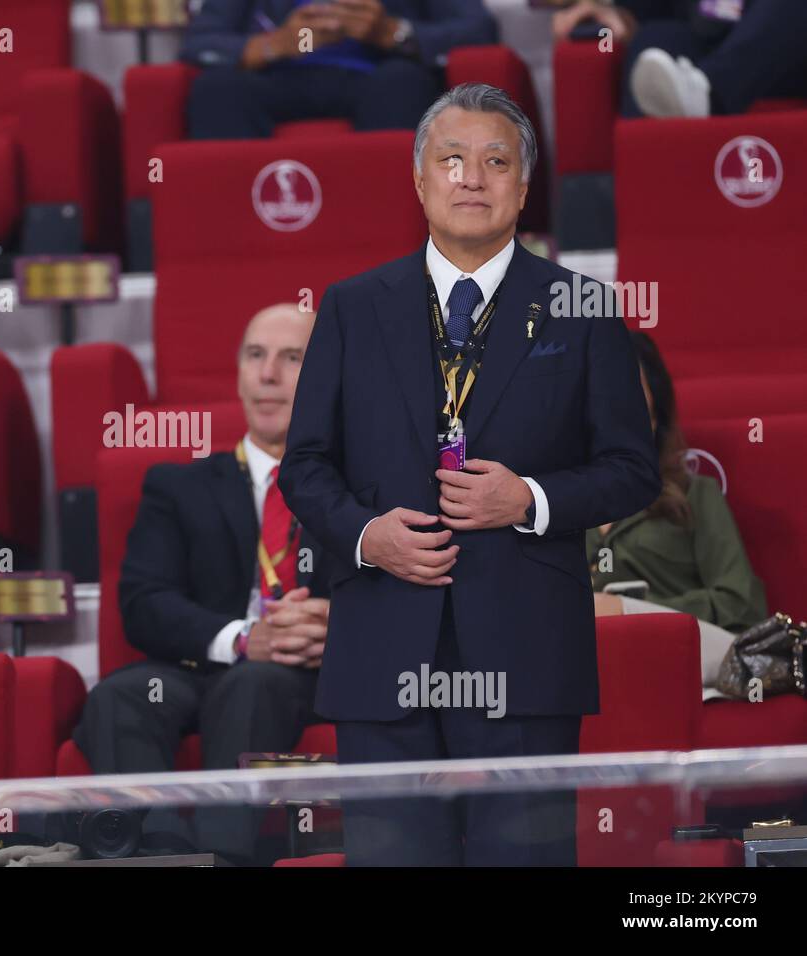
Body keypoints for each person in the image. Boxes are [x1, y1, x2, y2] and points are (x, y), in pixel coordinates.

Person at [278, 83, 660, 865]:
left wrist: (530, 499)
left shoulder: (583, 307)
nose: (472, 179)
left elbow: (631, 471)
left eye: (495, 162)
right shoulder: (353, 307)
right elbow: (306, 467)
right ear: (420, 181)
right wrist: (364, 537)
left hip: (527, 654)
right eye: (451, 160)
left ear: (524, 187)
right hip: (382, 649)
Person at [72, 303, 337, 865]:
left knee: (255, 684)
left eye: (292, 358)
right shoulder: (180, 484)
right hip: (200, 669)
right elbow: (144, 603)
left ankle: (222, 856)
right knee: (120, 696)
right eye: (255, 356)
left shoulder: (358, 488)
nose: (268, 375)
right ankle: (161, 853)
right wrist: (243, 638)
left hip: (312, 678)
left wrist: (337, 624)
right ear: (239, 373)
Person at [589, 332, 767, 699]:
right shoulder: (550, 507)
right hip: (587, 669)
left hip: (683, 661)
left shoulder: (695, 494)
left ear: (655, 415)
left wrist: (624, 611)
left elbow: (741, 605)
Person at [182, 0, 497, 139]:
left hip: (378, 74)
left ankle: (393, 236)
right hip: (278, 77)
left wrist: (394, 33)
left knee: (403, 83)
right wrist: (273, 44)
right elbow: (197, 42)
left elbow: (479, 29)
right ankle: (232, 240)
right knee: (217, 90)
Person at [552, 0, 807, 118]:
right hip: (709, 33)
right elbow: (638, 17)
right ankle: (650, 201)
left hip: (788, 47)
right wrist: (609, 15)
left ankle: (709, 92)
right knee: (654, 41)